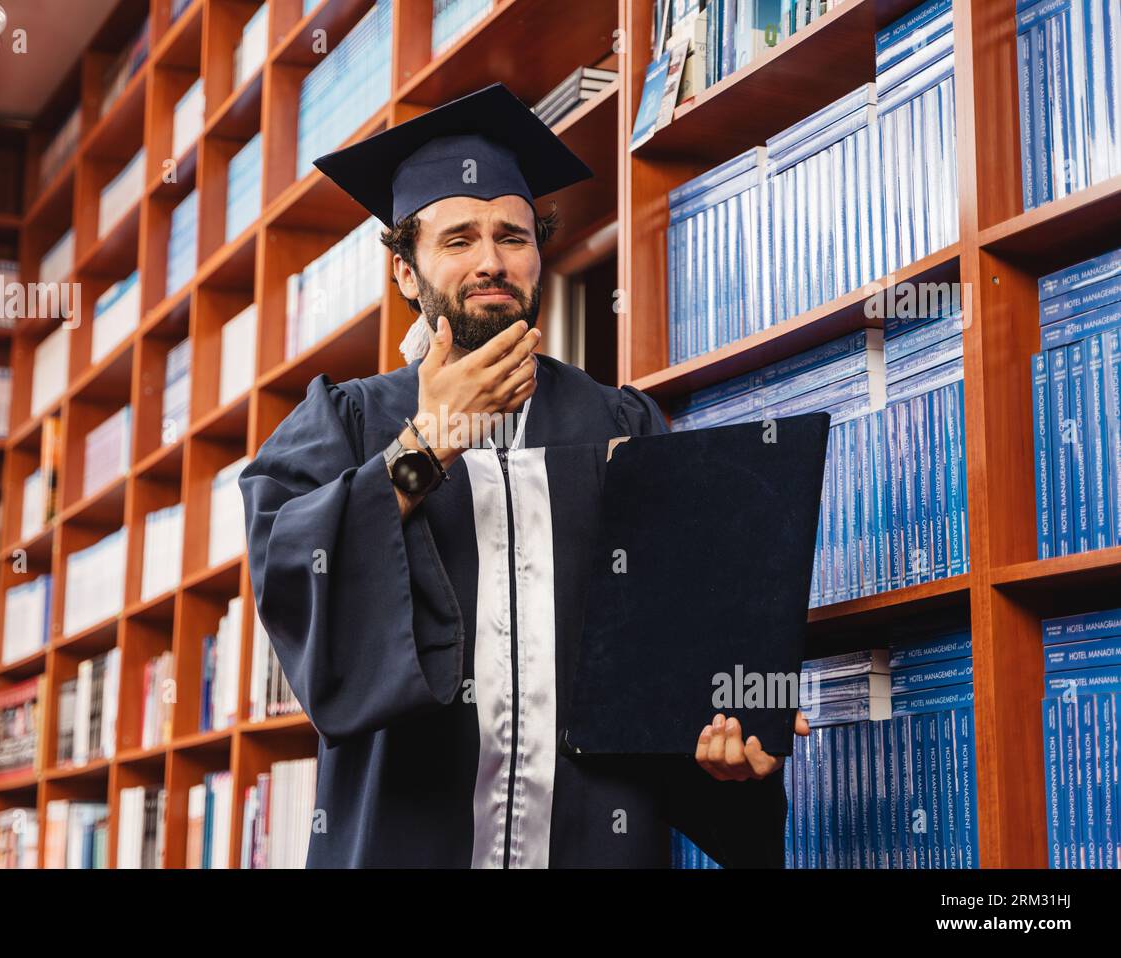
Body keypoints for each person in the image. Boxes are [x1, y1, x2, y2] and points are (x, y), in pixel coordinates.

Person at [240, 82, 807, 868]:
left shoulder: (620, 425)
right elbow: (291, 577)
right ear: (406, 271)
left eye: (513, 235)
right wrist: (429, 446)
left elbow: (677, 654)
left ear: (540, 256)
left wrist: (725, 735)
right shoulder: (345, 424)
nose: (490, 261)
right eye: (457, 238)